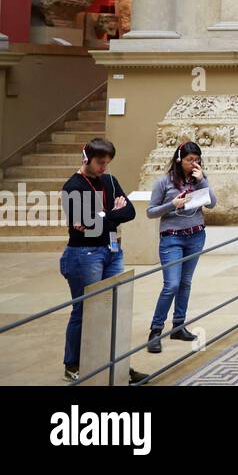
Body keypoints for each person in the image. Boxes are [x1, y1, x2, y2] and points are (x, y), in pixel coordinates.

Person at [58, 138, 142, 384]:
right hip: (84, 255)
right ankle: (73, 363)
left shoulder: (109, 181)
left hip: (112, 251)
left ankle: (115, 363)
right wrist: (110, 213)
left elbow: (130, 211)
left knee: (112, 309)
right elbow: (85, 227)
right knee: (84, 310)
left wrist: (102, 215)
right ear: (86, 159)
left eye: (107, 163)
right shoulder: (73, 187)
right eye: (99, 163)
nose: (104, 168)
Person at [145, 142, 216, 354]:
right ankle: (155, 330)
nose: (193, 163)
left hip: (195, 235)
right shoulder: (163, 182)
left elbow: (212, 203)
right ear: (179, 160)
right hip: (171, 238)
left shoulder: (199, 179)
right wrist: (171, 205)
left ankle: (178, 325)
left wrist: (203, 181)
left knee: (185, 282)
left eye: (197, 159)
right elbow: (151, 212)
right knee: (172, 284)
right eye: (189, 160)